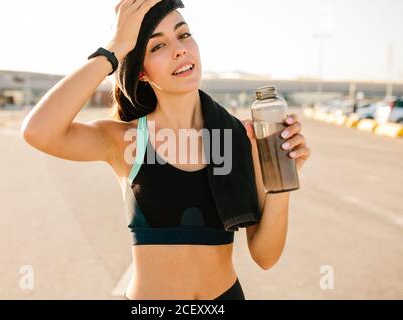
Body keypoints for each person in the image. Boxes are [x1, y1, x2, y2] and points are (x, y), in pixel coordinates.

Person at [21, 0, 311, 300]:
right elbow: (38, 131)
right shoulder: (124, 140)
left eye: (183, 35)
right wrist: (114, 48)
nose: (179, 49)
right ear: (142, 73)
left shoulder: (240, 136)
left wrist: (281, 184)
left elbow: (266, 256)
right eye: (157, 47)